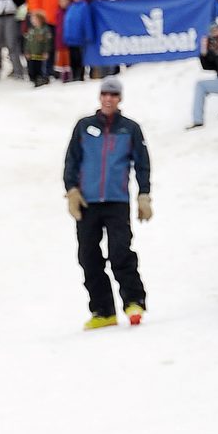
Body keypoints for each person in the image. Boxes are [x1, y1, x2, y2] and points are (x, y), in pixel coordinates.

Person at [63, 76, 151, 330]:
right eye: (105, 94)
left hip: (116, 200)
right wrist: (71, 191)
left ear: (119, 99)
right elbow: (72, 161)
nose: (108, 99)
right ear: (100, 97)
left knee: (120, 252)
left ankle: (134, 301)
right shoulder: (84, 126)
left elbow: (142, 164)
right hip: (88, 201)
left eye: (113, 95)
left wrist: (143, 194)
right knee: (88, 257)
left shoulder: (130, 128)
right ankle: (103, 310)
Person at [186, 20, 218, 129]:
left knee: (200, 84)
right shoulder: (217, 48)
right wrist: (204, 52)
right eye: (213, 32)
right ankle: (198, 120)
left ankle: (198, 120)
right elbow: (208, 67)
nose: (216, 34)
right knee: (201, 85)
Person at [24, 9, 52, 86]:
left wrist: (46, 51)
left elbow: (47, 42)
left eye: (35, 19)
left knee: (40, 67)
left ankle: (42, 79)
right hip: (32, 54)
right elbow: (28, 42)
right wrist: (27, 51)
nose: (33, 21)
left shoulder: (45, 30)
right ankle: (33, 78)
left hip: (40, 54)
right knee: (32, 67)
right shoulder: (31, 30)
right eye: (32, 19)